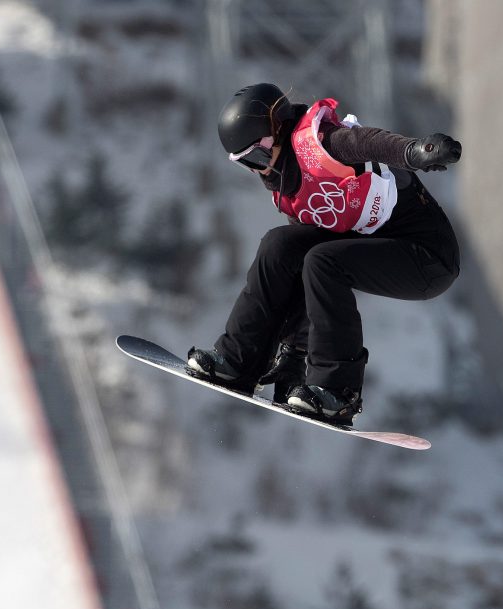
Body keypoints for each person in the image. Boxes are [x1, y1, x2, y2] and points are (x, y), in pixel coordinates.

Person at [186, 82, 462, 426]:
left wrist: (415, 151)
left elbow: (370, 142)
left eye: (256, 157)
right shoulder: (291, 185)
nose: (258, 170)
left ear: (275, 133)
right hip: (379, 244)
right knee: (280, 245)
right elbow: (302, 277)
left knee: (323, 262)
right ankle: (239, 362)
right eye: (245, 164)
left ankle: (338, 393)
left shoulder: (323, 144)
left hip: (428, 258)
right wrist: (295, 352)